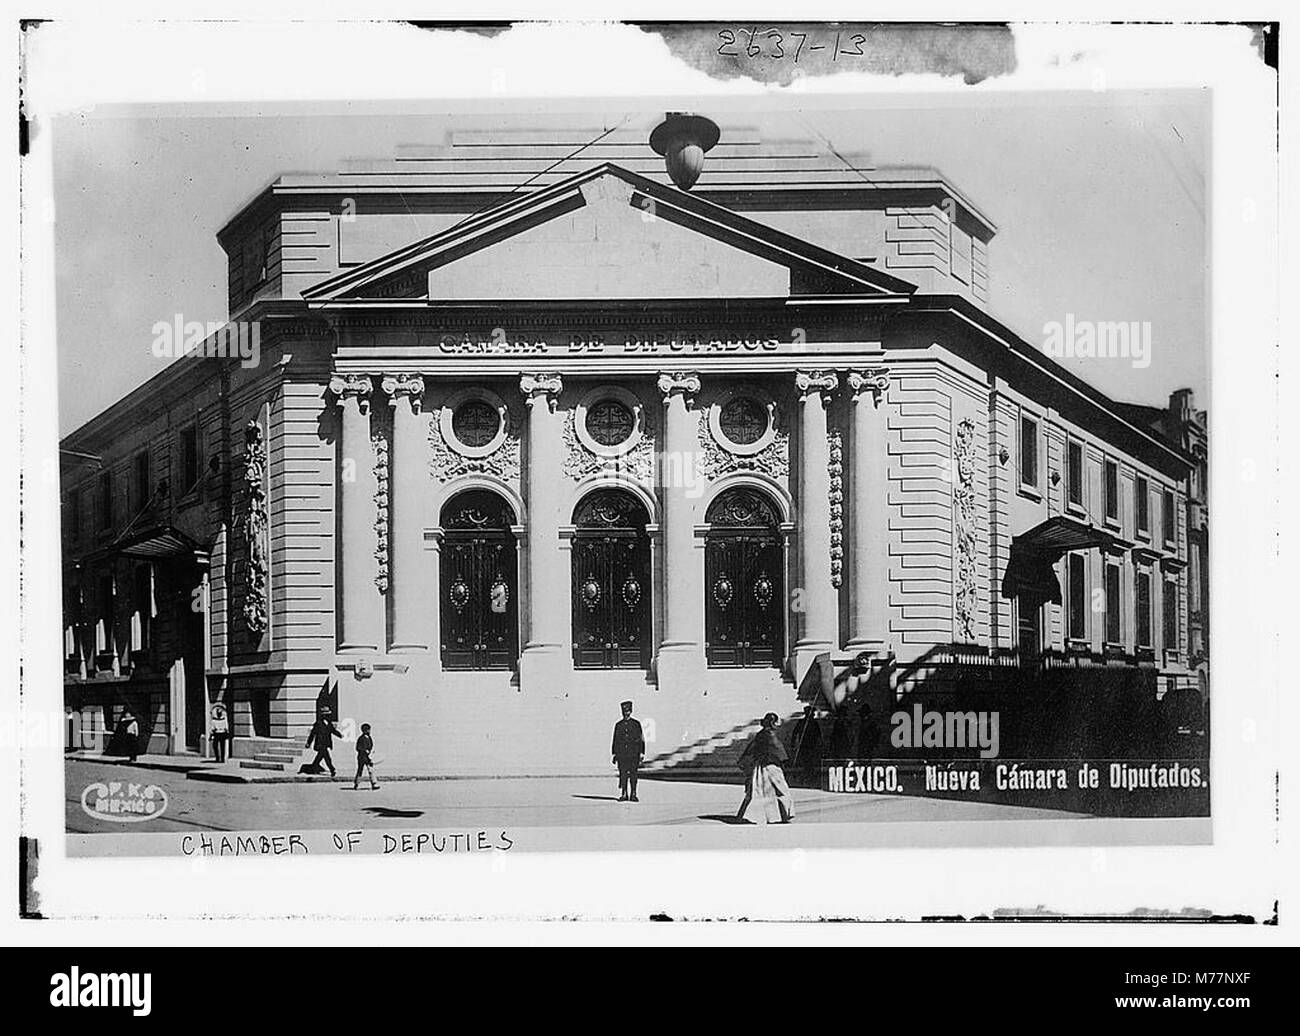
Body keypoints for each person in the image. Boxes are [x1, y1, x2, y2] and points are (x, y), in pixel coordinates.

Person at [736, 712, 795, 824]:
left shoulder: (760, 734)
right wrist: (786, 761)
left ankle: (760, 816)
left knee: (759, 791)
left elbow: (751, 749)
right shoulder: (770, 735)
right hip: (771, 766)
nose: (778, 724)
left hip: (760, 767)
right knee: (781, 789)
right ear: (773, 723)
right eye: (776, 722)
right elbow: (778, 751)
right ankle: (782, 814)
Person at [610, 700, 644, 802]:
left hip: (633, 753)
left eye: (628, 711)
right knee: (623, 774)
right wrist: (614, 753)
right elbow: (615, 739)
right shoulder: (618, 725)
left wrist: (642, 752)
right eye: (624, 711)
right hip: (622, 754)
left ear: (631, 711)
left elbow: (640, 739)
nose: (626, 713)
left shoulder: (636, 724)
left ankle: (633, 794)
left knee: (633, 774)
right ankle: (624, 794)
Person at [790, 704, 823, 787]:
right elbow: (795, 733)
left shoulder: (814, 723)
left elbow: (818, 735)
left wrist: (819, 744)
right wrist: (793, 744)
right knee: (806, 762)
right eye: (812, 713)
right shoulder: (802, 722)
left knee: (811, 762)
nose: (813, 714)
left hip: (812, 745)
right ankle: (807, 776)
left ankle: (810, 776)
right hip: (804, 745)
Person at [305, 709, 342, 777]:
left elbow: (333, 730)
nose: (328, 716)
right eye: (327, 715)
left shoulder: (328, 723)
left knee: (319, 757)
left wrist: (339, 735)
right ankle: (332, 769)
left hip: (326, 743)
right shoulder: (318, 723)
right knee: (326, 757)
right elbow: (312, 734)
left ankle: (314, 767)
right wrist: (308, 743)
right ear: (323, 715)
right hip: (320, 743)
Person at [354, 723, 378, 791]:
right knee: (360, 770)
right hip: (362, 757)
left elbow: (371, 746)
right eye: (367, 730)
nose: (369, 731)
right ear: (364, 731)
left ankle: (374, 783)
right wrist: (364, 750)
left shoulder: (369, 737)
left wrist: (371, 752)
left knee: (371, 770)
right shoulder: (361, 738)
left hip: (368, 757)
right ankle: (357, 783)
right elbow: (357, 748)